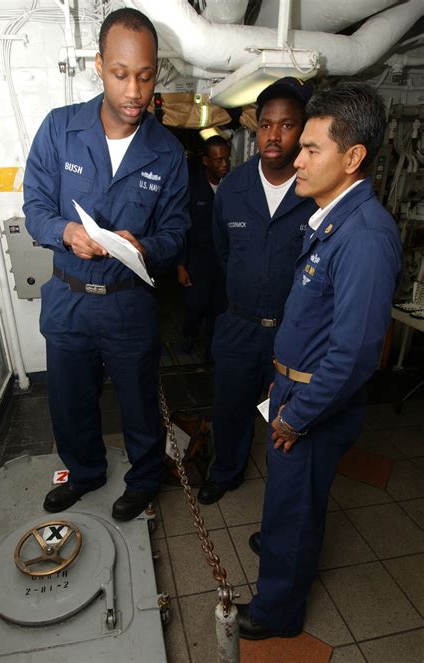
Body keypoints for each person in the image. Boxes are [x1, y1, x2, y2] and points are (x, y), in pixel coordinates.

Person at [237, 82, 403, 640]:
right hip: (293, 387)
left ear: (352, 158)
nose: (296, 158)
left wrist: (296, 414)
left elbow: (355, 354)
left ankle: (276, 611)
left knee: (296, 508)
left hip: (311, 402)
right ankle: (286, 548)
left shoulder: (364, 236)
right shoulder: (332, 218)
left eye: (312, 149)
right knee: (291, 499)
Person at [23, 8, 189, 521]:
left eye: (145, 75)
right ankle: (86, 472)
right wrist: (66, 232)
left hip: (127, 303)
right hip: (70, 298)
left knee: (140, 404)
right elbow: (34, 208)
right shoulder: (60, 129)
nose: (134, 90)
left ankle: (143, 480)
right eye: (121, 74)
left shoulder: (167, 153)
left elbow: (178, 231)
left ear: (155, 71)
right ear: (98, 65)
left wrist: (144, 247)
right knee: (71, 403)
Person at [197, 77, 317, 505]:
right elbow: (222, 250)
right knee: (229, 409)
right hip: (239, 324)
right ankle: (225, 472)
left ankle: (285, 493)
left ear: (303, 130)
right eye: (266, 124)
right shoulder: (233, 188)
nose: (274, 134)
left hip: (292, 334)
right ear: (255, 129)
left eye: (287, 125)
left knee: (288, 417)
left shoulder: (316, 191)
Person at [177, 136, 230, 361]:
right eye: (218, 160)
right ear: (206, 161)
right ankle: (188, 335)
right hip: (197, 260)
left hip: (222, 261)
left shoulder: (233, 186)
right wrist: (180, 265)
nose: (224, 164)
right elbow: (181, 228)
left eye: (226, 159)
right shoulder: (191, 186)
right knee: (196, 305)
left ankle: (211, 352)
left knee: (218, 310)